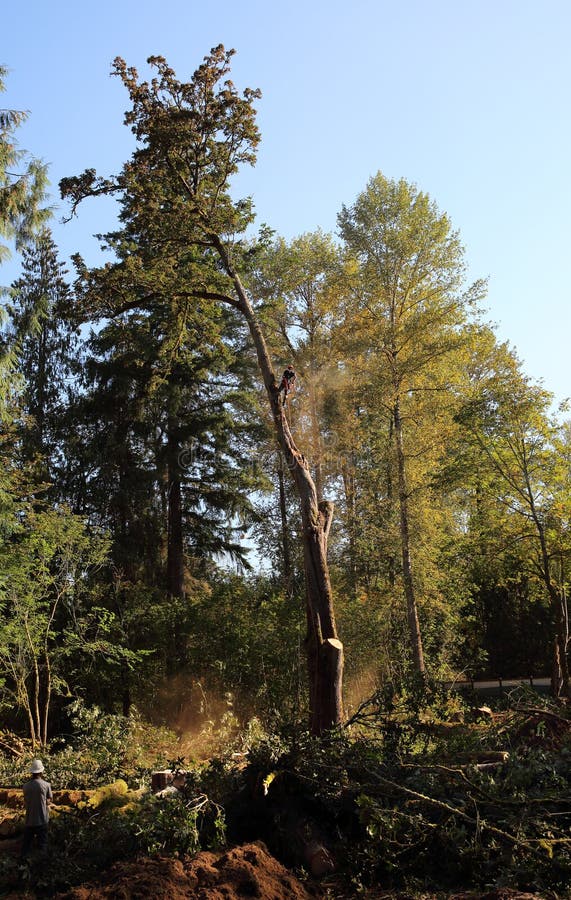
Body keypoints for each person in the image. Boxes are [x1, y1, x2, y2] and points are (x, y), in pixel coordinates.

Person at [21, 759, 52, 857]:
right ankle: (41, 866)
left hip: (29, 820)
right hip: (42, 820)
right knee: (42, 845)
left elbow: (26, 800)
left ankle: (23, 863)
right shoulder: (46, 785)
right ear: (41, 772)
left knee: (26, 846)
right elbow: (49, 800)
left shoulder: (25, 786)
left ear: (32, 772)